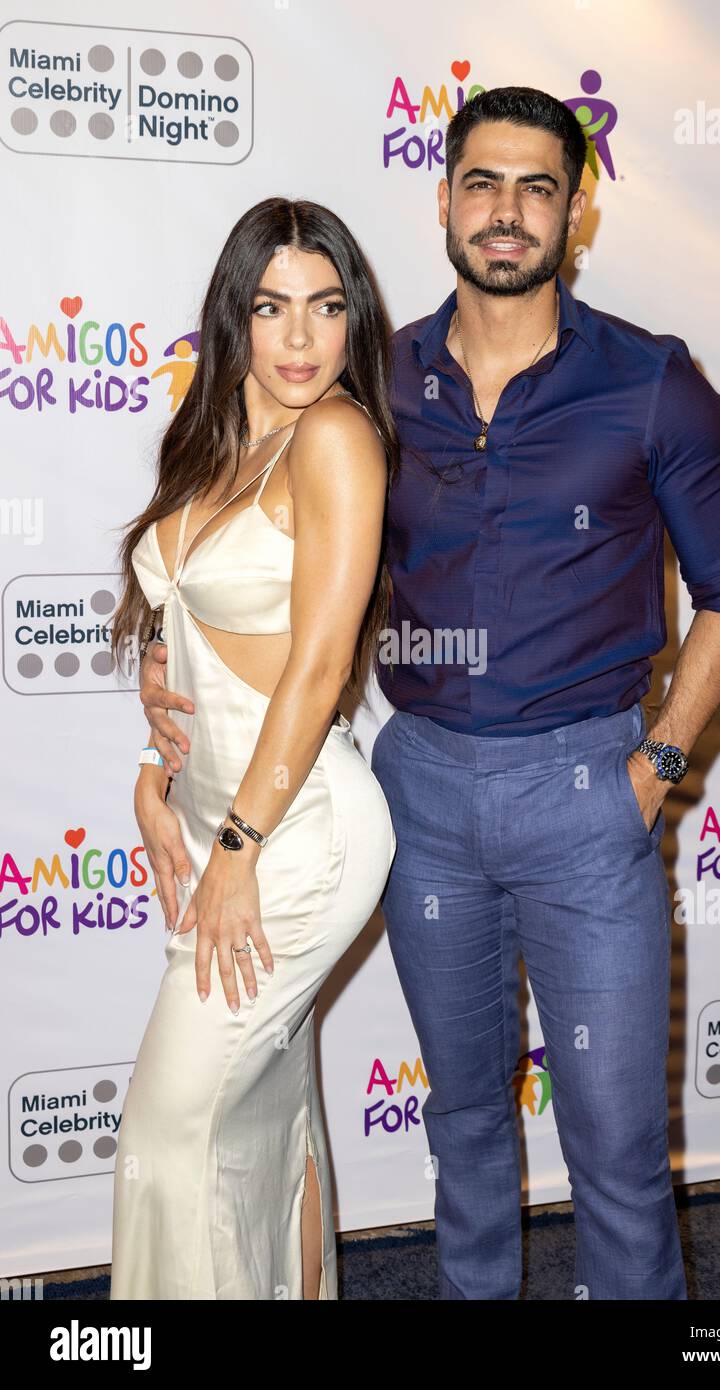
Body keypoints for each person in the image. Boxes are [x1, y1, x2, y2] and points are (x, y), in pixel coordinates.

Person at [140, 88, 720, 1300]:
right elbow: (242, 550)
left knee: (621, 1155)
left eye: (538, 186)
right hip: (419, 794)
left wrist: (660, 769)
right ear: (442, 200)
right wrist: (162, 694)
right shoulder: (366, 388)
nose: (506, 210)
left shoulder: (652, 382)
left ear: (574, 214)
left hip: (591, 794)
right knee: (466, 1128)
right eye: (482, 182)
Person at [109, 198, 398, 1301]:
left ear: (353, 322)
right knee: (265, 1112)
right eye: (271, 307)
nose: (298, 338)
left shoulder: (334, 437)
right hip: (215, 817)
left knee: (166, 1132)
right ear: (235, 316)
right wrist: (152, 775)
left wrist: (234, 845)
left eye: (326, 308)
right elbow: (181, 635)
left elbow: (319, 669)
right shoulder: (216, 436)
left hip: (292, 833)